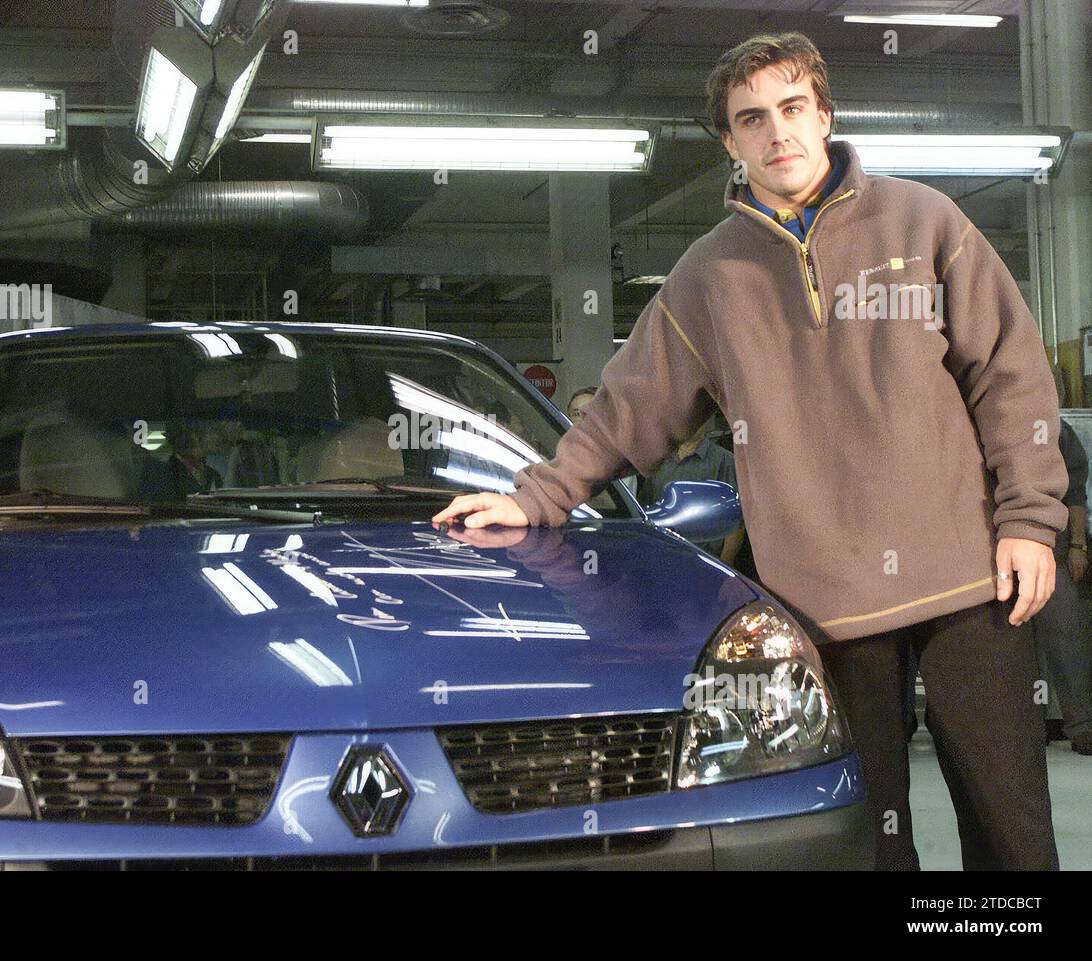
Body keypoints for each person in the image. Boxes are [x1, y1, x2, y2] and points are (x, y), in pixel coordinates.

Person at [432, 33, 1065, 870]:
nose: (779, 133)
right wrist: (537, 495)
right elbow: (629, 408)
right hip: (825, 609)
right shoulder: (707, 277)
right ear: (730, 143)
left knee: (1010, 827)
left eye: (794, 108)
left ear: (825, 115)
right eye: (752, 119)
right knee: (869, 841)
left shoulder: (926, 221)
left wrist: (1030, 516)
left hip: (972, 576)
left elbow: (1011, 376)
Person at [1032, 368, 1091, 755]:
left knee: (1066, 637)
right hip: (1003, 548)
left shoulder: (1062, 434)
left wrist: (1078, 547)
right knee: (1015, 648)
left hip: (1054, 546)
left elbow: (1075, 496)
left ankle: (1082, 725)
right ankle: (1029, 727)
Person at [638, 415, 745, 565]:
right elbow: (643, 509)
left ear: (708, 422)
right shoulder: (660, 459)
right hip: (659, 555)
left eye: (696, 417)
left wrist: (724, 566)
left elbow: (735, 523)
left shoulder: (724, 462)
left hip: (703, 561)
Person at [167, 423, 223, 495]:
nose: (204, 447)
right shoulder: (169, 473)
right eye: (199, 442)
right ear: (188, 449)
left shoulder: (213, 474)